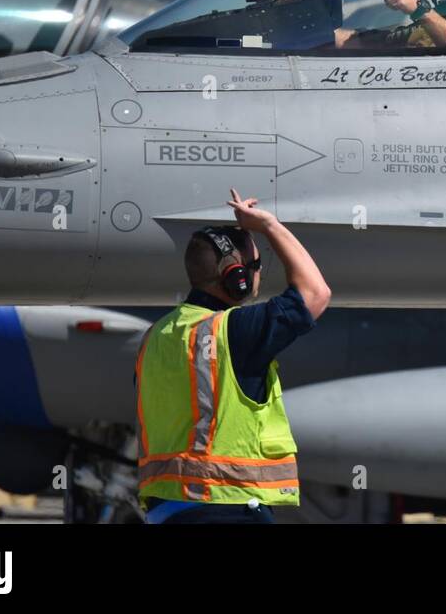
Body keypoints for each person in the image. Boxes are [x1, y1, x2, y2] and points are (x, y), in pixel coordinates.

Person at [135, 189, 332, 524]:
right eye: (255, 266)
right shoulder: (233, 332)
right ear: (236, 277)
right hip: (226, 505)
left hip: (166, 511)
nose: (257, 275)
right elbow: (315, 293)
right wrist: (269, 225)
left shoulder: (155, 336)